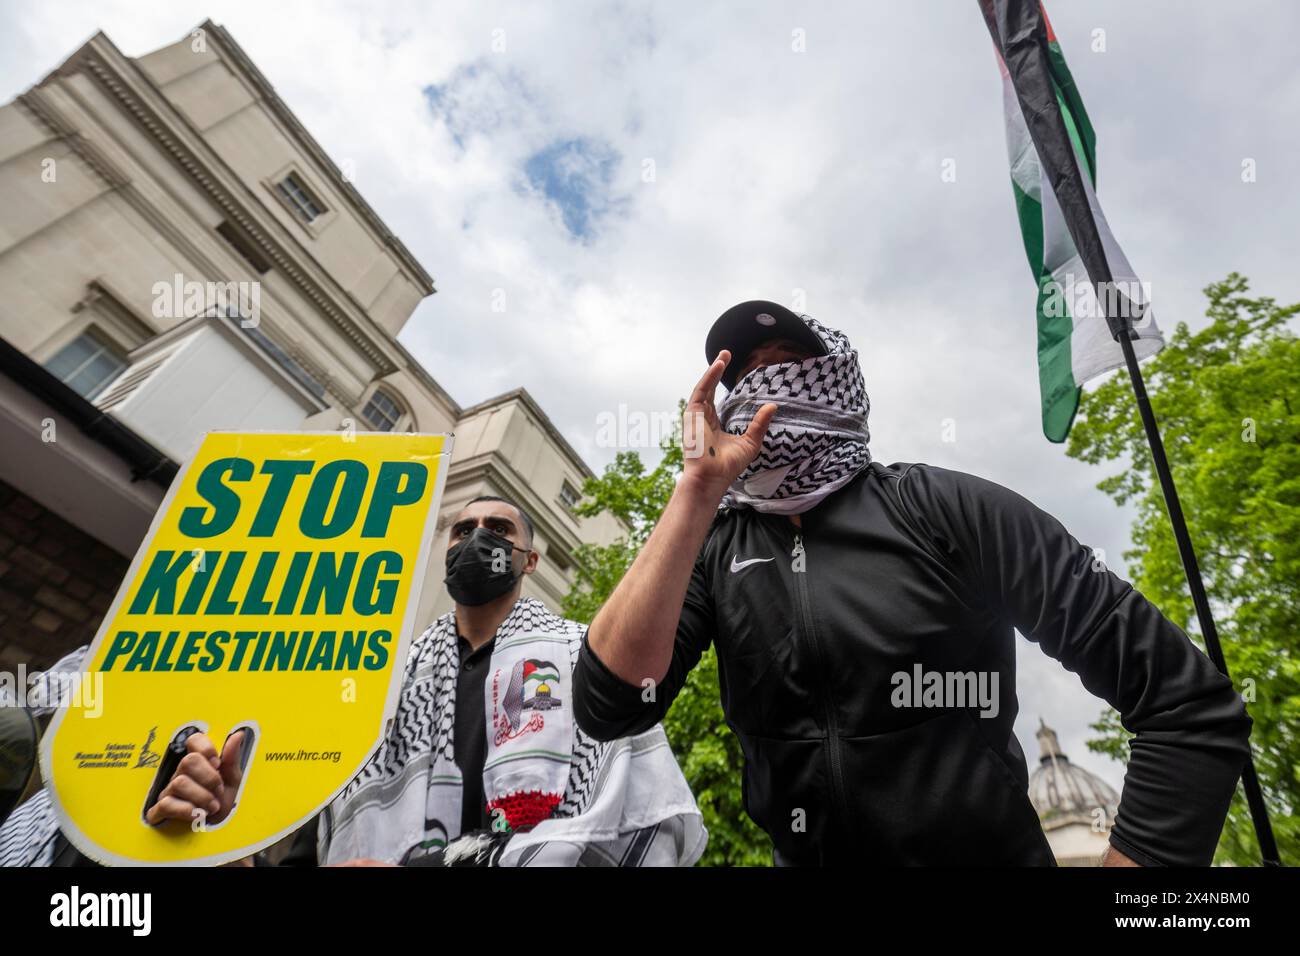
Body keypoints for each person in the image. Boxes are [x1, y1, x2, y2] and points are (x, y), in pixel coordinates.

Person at [573, 299, 1253, 867]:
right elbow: (610, 706)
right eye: (744, 377)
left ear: (838, 378)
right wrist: (696, 491)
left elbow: (1185, 705)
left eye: (785, 364)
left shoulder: (947, 510)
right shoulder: (713, 549)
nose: (763, 387)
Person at [1, 495, 705, 867]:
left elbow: (626, 810)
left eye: (497, 528)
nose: (476, 539)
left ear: (529, 559)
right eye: (462, 530)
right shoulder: (381, 680)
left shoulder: (582, 655)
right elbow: (315, 816)